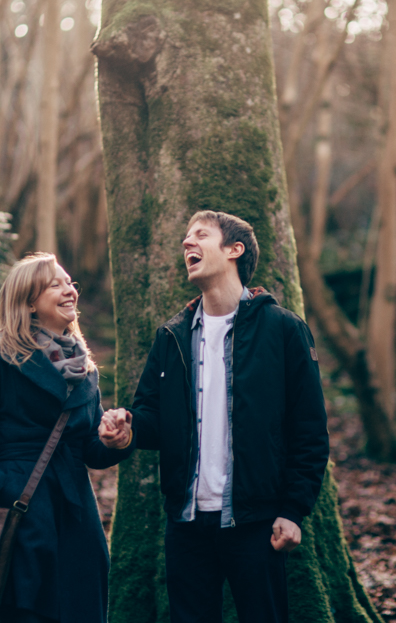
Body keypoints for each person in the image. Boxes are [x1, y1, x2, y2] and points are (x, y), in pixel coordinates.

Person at [100, 210, 330, 623]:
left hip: (257, 523)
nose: (187, 243)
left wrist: (294, 510)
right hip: (186, 524)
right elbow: (151, 416)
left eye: (200, 235)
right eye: (185, 238)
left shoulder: (283, 330)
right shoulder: (172, 335)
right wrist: (127, 430)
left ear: (234, 250)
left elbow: (309, 429)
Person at [0, 253, 133, 623]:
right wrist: (3, 487)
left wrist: (116, 441)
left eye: (70, 284)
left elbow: (89, 450)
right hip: (22, 509)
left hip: (77, 514)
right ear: (29, 302)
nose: (70, 290)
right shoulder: (0, 356)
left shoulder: (85, 369)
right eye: (56, 284)